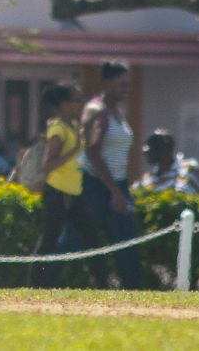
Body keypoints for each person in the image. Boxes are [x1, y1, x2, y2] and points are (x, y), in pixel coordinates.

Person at [29, 82, 107, 288]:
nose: (81, 104)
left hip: (73, 192)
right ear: (63, 104)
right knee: (49, 240)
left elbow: (83, 152)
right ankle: (35, 285)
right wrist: (73, 151)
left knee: (91, 238)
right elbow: (48, 163)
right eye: (76, 100)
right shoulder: (58, 128)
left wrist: (91, 137)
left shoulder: (73, 126)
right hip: (57, 192)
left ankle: (103, 285)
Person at [77, 60, 143, 289]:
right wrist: (115, 192)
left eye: (128, 84)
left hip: (117, 183)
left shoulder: (118, 112)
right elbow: (92, 153)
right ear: (106, 82)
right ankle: (44, 282)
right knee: (77, 238)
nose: (126, 89)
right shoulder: (97, 111)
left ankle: (132, 291)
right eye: (121, 83)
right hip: (96, 185)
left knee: (126, 241)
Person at [138, 128, 199, 194]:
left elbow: (183, 193)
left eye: (153, 149)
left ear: (165, 149)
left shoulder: (187, 168)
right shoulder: (149, 178)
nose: (146, 154)